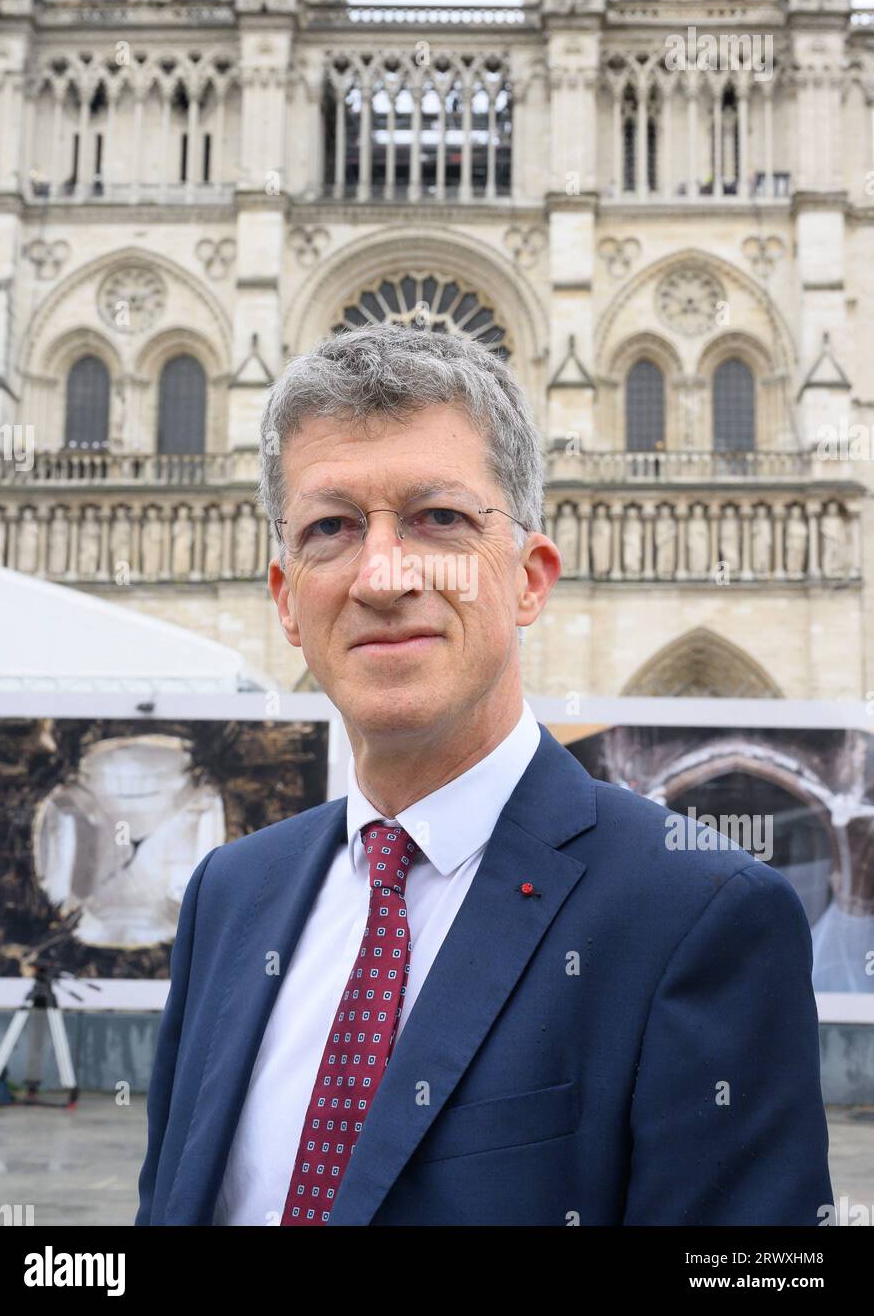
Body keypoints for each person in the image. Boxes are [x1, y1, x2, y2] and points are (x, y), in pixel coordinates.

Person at [136, 323, 832, 1226]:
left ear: (531, 578)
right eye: (331, 527)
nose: (383, 577)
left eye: (440, 518)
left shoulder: (701, 916)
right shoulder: (229, 896)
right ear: (286, 600)